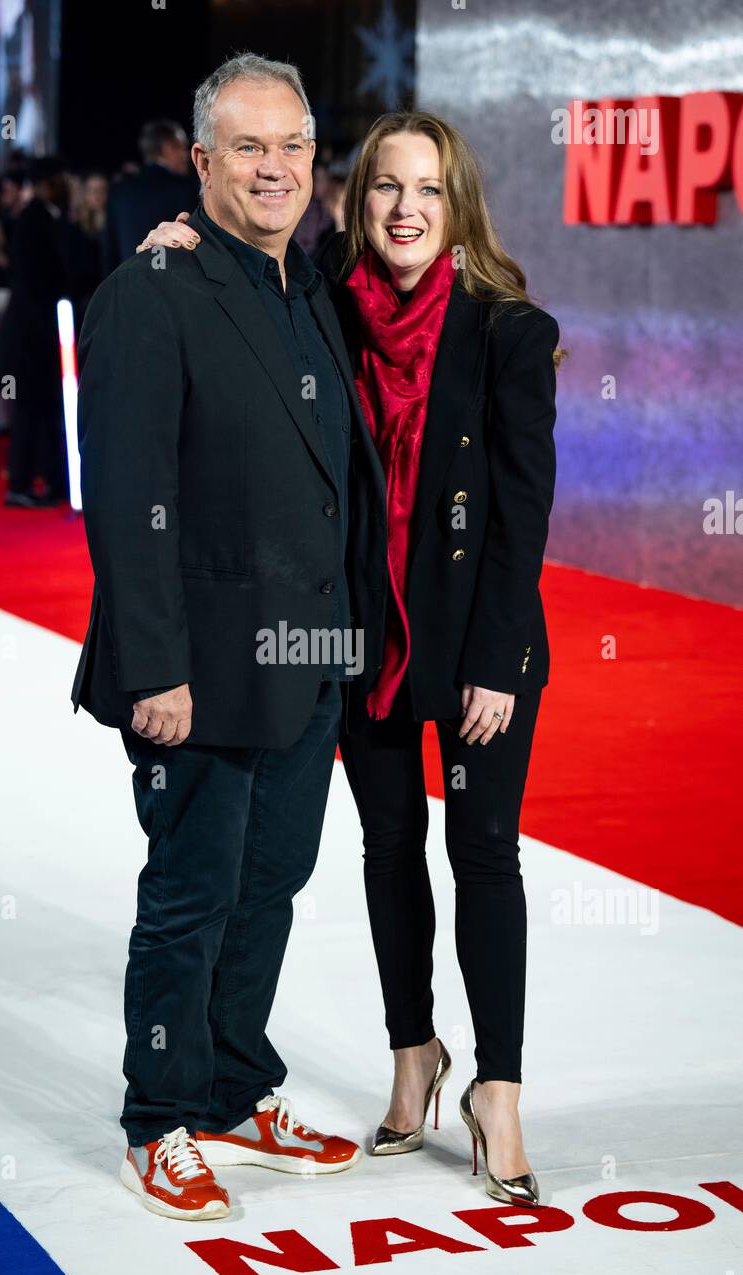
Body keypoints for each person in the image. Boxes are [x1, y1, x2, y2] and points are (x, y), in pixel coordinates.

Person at [139, 111, 561, 1208]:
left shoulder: (507, 331)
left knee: (484, 854)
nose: (405, 207)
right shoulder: (320, 308)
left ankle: (497, 1090)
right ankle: (412, 1052)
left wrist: (499, 660)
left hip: (475, 650)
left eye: (426, 187)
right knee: (386, 849)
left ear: (456, 201)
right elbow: (234, 289)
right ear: (357, 202)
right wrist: (168, 244)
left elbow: (522, 516)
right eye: (383, 187)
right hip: (357, 642)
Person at [71, 54, 387, 1220]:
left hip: (308, 659)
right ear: (200, 161)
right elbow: (123, 490)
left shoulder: (302, 283)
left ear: (315, 160)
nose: (273, 168)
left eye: (292, 146)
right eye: (246, 147)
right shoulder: (153, 292)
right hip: (197, 667)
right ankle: (158, 1118)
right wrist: (154, 664)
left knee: (271, 883)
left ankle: (232, 1088)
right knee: (192, 893)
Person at [0, 157, 72, 507]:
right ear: (47, 183)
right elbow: (34, 280)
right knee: (29, 410)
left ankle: (47, 480)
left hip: (39, 331)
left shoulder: (44, 217)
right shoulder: (35, 220)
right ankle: (22, 483)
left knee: (42, 410)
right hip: (31, 335)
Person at [101, 118, 197, 272]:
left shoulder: (120, 191)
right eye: (182, 147)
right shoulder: (185, 189)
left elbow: (109, 253)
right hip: (172, 287)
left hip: (128, 286)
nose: (186, 155)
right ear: (168, 149)